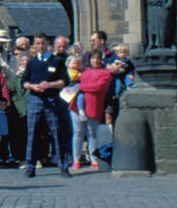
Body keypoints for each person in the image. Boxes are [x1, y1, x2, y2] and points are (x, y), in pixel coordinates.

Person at [20, 32, 73, 178]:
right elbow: (23, 81)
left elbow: (64, 81)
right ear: (34, 45)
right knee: (33, 133)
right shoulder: (32, 62)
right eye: (37, 43)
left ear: (47, 44)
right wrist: (32, 86)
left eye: (42, 43)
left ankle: (63, 166)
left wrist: (49, 84)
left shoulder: (56, 61)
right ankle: (30, 166)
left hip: (52, 100)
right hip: (35, 99)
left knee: (57, 133)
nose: (40, 46)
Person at [72, 51, 112, 170]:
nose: (95, 61)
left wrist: (81, 87)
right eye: (93, 59)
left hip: (94, 105)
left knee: (92, 133)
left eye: (97, 58)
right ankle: (76, 159)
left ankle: (94, 158)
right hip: (77, 106)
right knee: (78, 133)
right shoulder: (83, 71)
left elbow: (99, 87)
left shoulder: (105, 73)